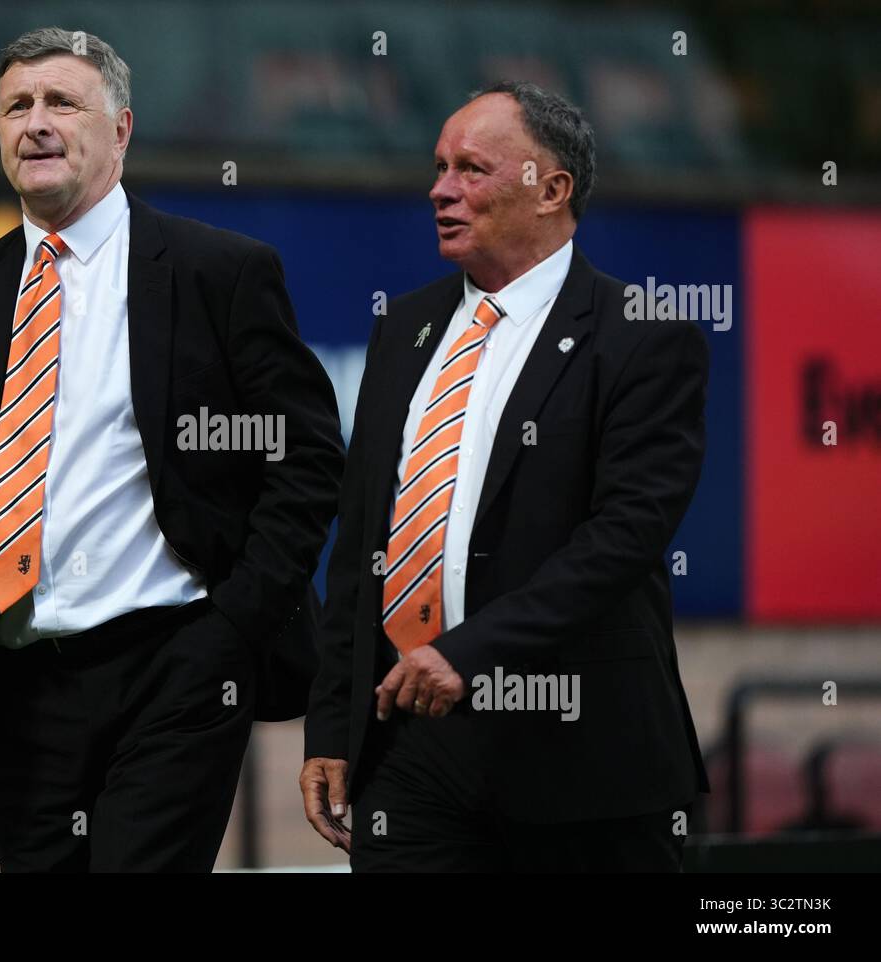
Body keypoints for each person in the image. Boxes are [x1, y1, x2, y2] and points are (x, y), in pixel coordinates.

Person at [0, 26, 344, 872]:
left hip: (178, 666)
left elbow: (306, 461)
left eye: (62, 102)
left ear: (119, 130)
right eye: (16, 106)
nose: (35, 123)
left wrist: (230, 630)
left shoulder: (216, 271)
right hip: (24, 681)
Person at [300, 81, 710, 872]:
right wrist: (332, 728)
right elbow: (361, 544)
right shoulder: (406, 326)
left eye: (471, 169)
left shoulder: (642, 336)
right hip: (409, 755)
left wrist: (470, 651)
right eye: (439, 168)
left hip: (580, 761)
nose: (440, 189)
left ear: (551, 189)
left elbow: (624, 538)